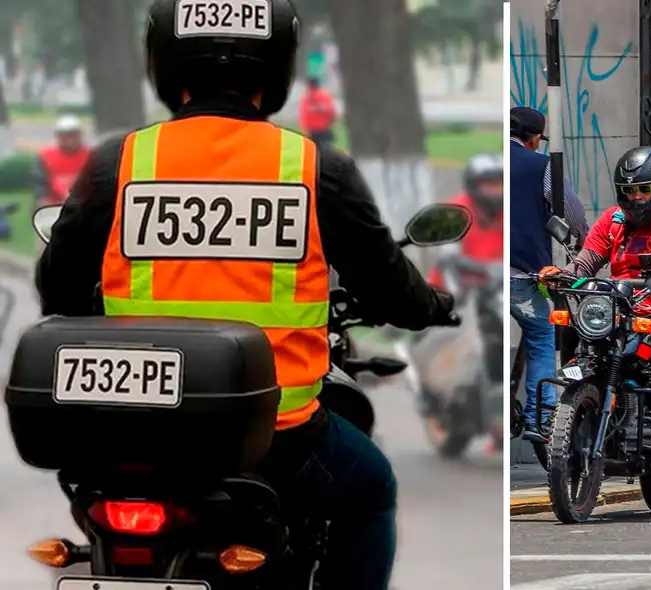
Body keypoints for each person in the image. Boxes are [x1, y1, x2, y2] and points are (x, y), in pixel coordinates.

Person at [34, 1, 458, 588]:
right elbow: (388, 286)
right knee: (370, 491)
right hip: (275, 437)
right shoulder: (315, 168)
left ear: (163, 65)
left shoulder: (119, 162)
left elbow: (57, 287)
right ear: (278, 69)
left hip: (137, 434)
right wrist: (433, 306)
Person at [538, 146, 651, 469]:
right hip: (619, 309)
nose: (636, 198)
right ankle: (576, 391)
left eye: (644, 190)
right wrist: (563, 275)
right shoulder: (614, 221)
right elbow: (587, 261)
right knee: (571, 318)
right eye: (629, 191)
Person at [509, 106, 589, 440]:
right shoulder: (542, 166)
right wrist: (585, 243)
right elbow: (572, 213)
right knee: (542, 335)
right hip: (520, 278)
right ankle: (538, 418)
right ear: (535, 139)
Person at [427, 153, 504, 290]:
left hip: (496, 285)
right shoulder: (455, 212)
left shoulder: (507, 209)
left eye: (500, 185)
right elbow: (448, 256)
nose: (497, 191)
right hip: (455, 287)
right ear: (473, 185)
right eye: (490, 185)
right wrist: (488, 269)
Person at [34, 114, 91, 207]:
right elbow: (39, 184)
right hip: (55, 206)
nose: (69, 139)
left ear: (80, 135)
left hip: (85, 205)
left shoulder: (90, 155)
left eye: (72, 135)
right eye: (64, 135)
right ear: (58, 136)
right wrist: (43, 201)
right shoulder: (46, 156)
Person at [298, 76, 337, 148]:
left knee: (315, 154)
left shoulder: (306, 99)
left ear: (309, 86)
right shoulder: (325, 96)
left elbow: (303, 116)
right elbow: (332, 113)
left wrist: (305, 129)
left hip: (313, 132)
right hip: (325, 130)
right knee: (328, 152)